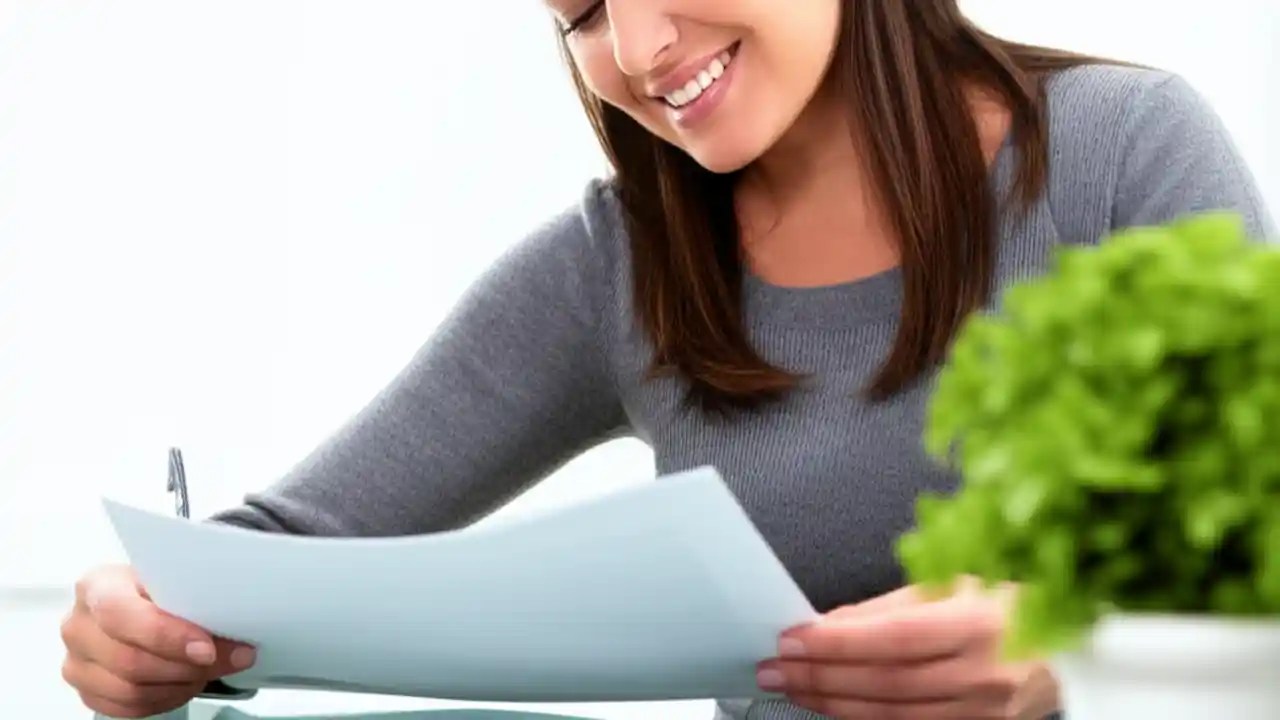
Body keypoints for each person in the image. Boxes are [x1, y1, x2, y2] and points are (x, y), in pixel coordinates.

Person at [60, 1, 1274, 719]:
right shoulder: (621, 267)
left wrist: (1070, 646)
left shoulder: (1123, 156)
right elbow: (276, 548)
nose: (637, 49)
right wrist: (142, 622)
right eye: (578, 12)